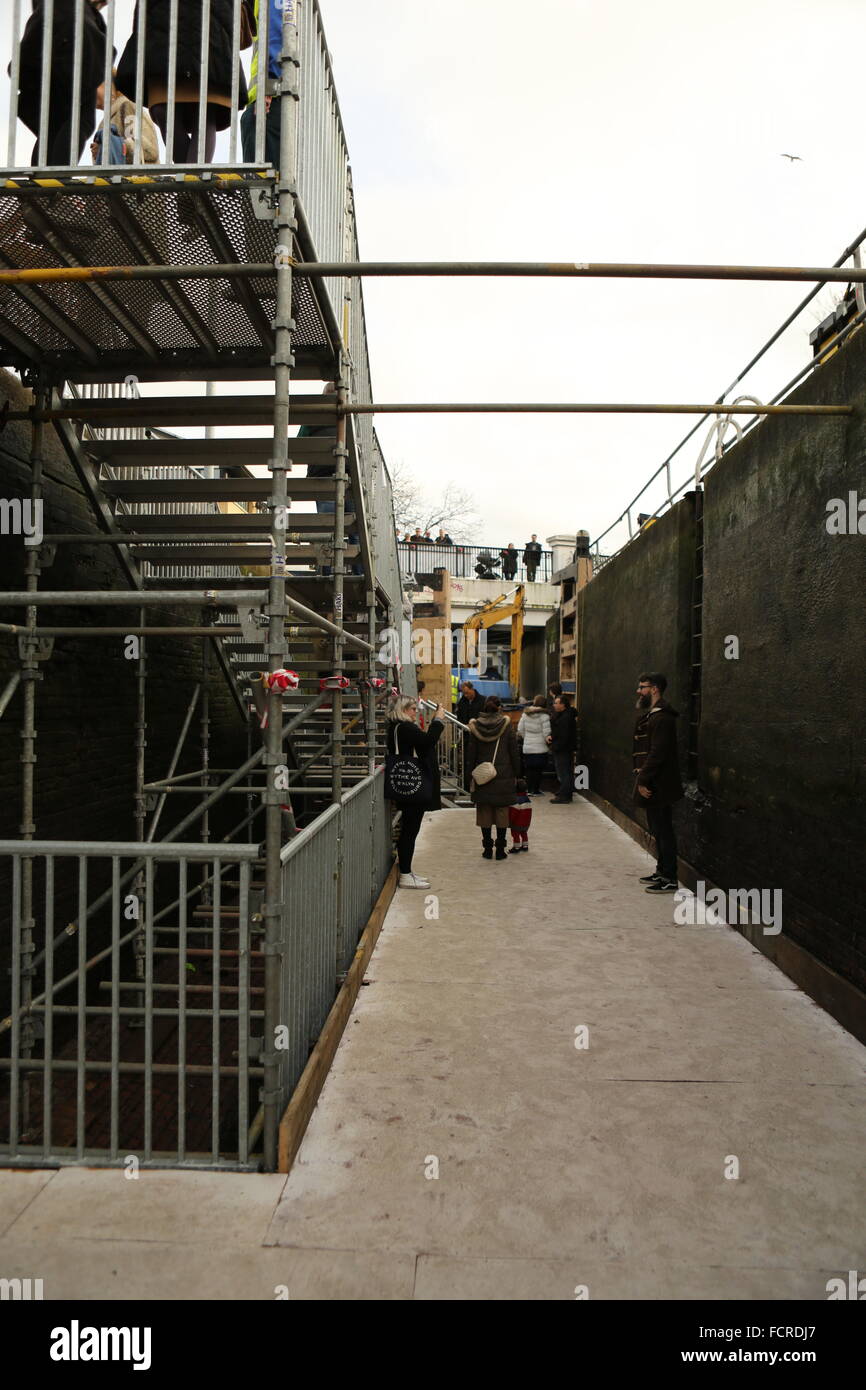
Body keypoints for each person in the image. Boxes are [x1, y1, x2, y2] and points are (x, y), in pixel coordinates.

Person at [116, 0, 249, 164]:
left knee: (204, 112)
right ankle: (196, 184)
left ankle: (194, 183)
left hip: (210, 32)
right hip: (163, 32)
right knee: (162, 109)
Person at [16, 0, 108, 166]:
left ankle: (42, 178)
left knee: (53, 122)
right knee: (80, 119)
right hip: (71, 39)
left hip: (43, 47)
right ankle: (57, 175)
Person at [386, 694, 445, 889]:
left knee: (409, 830)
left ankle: (407, 871)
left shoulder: (395, 728)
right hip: (412, 785)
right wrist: (438, 720)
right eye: (412, 709)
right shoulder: (405, 728)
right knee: (410, 831)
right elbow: (428, 742)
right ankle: (404, 874)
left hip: (403, 782)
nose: (415, 712)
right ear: (403, 710)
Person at [633, 672, 684, 893]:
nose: (639, 691)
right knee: (658, 829)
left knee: (664, 830)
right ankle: (662, 870)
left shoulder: (662, 718)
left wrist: (643, 780)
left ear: (654, 689)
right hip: (656, 782)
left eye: (642, 687)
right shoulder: (654, 715)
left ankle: (670, 878)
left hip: (660, 784)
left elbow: (657, 753)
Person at [466, 696, 521, 861]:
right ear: (499, 708)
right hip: (503, 775)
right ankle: (501, 850)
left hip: (482, 776)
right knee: (502, 811)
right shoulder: (507, 726)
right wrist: (517, 774)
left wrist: (470, 775)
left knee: (484, 812)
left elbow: (471, 754)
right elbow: (514, 752)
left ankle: (487, 849)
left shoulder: (475, 727)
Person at [240, 0, 280, 167]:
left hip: (271, 98)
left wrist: (268, 87)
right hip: (270, 95)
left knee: (263, 181)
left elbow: (276, 37)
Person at [90, 76, 160, 165]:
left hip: (139, 177)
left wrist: (107, 148)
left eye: (95, 86)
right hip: (119, 178)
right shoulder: (105, 122)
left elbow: (149, 151)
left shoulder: (126, 107)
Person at [517, 694, 551, 794]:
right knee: (538, 770)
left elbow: (520, 729)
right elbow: (546, 733)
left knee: (529, 769)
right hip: (540, 747)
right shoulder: (544, 716)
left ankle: (529, 789)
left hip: (528, 747)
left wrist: (526, 738)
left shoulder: (525, 714)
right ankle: (535, 790)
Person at [547, 693, 578, 803]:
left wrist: (555, 744)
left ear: (563, 705)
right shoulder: (565, 715)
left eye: (556, 703)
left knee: (563, 772)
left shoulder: (565, 718)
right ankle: (566, 793)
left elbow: (563, 735)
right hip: (564, 748)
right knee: (566, 772)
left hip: (562, 749)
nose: (554, 705)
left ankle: (564, 796)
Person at [508, 786, 532, 853]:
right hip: (526, 822)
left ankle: (516, 847)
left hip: (517, 822)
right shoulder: (527, 799)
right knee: (524, 833)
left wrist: (509, 821)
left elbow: (513, 812)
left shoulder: (515, 800)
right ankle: (525, 846)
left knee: (515, 835)